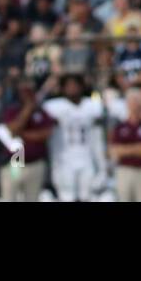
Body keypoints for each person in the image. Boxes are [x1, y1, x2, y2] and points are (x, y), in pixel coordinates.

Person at [41, 73, 109, 201]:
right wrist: (48, 87)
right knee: (66, 196)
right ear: (62, 88)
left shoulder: (92, 105)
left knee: (87, 195)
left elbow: (105, 110)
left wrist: (94, 85)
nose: (72, 89)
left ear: (82, 87)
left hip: (86, 157)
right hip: (63, 159)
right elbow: (37, 109)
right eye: (69, 86)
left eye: (75, 85)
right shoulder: (53, 106)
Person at [109, 86, 141, 202]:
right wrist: (139, 149)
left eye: (137, 101)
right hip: (125, 170)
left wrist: (127, 149)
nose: (135, 104)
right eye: (132, 101)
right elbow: (115, 151)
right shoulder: (121, 127)